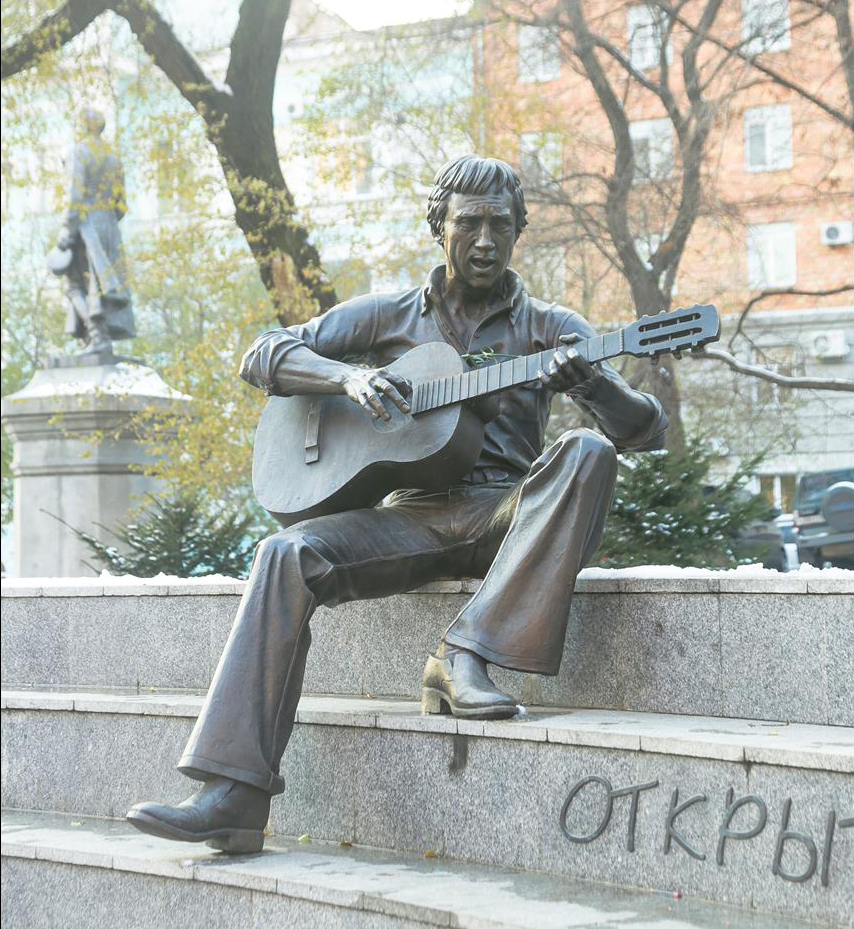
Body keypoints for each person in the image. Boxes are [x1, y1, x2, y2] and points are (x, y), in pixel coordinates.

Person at [127, 154, 666, 853]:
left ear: (518, 232)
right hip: (408, 518)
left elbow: (643, 431)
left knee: (588, 452)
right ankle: (234, 793)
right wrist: (347, 378)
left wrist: (593, 386)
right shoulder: (387, 316)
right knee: (285, 553)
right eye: (467, 223)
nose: (484, 240)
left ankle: (464, 653)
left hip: (508, 515)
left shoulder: (548, 325)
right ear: (438, 227)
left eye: (500, 225)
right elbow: (264, 354)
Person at [49, 107, 135, 355]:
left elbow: (75, 195)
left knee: (75, 283)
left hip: (85, 224)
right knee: (100, 282)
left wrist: (68, 229)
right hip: (109, 224)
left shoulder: (79, 152)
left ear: (83, 126)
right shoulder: (114, 157)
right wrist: (107, 219)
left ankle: (97, 336)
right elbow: (122, 204)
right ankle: (94, 337)